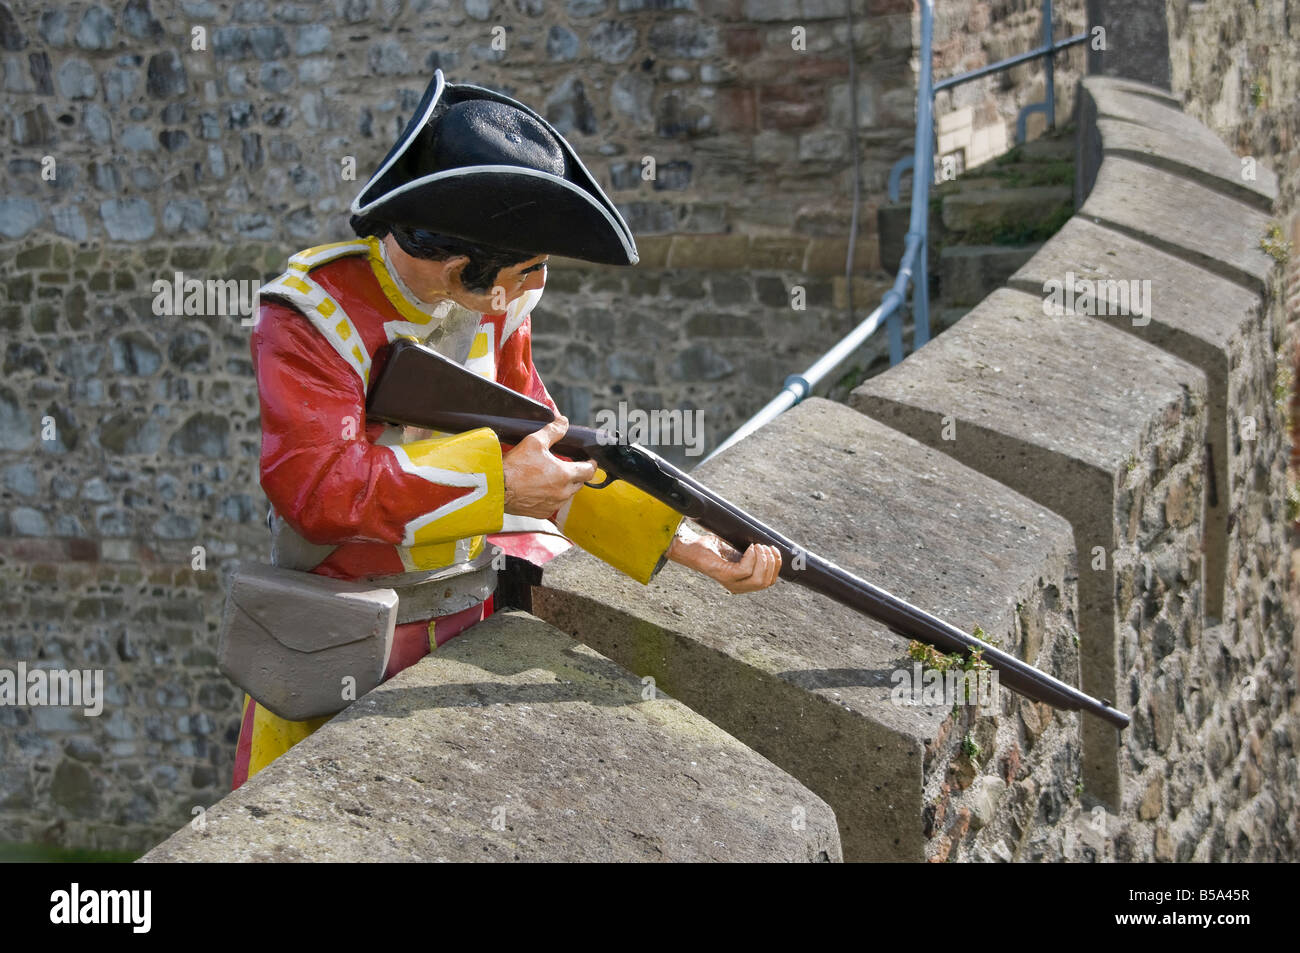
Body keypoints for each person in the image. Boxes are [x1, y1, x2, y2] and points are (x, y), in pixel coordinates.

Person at [231, 71, 781, 789]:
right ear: (462, 270)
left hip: (471, 617)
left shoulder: (493, 306)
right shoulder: (312, 314)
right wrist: (497, 481)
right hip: (337, 640)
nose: (532, 288)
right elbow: (316, 487)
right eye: (525, 271)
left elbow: (550, 451)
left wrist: (685, 540)